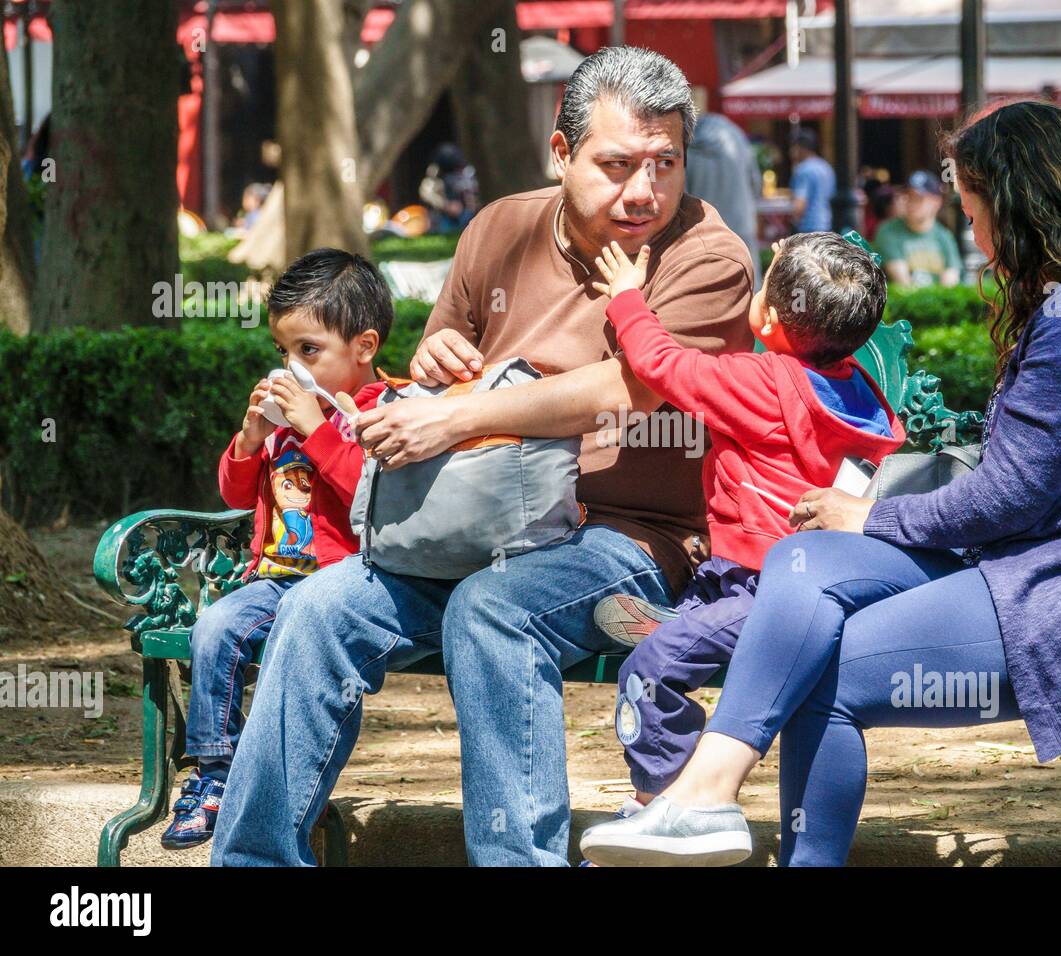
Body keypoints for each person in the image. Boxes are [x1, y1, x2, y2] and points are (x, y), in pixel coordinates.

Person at [579, 99, 1061, 866]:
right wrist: (867, 518)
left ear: (1020, 206)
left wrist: (874, 516)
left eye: (975, 210)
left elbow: (1010, 497)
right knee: (798, 557)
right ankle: (708, 800)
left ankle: (716, 804)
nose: (974, 234)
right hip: (1047, 557)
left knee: (822, 669)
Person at [209, 45, 754, 867]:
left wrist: (465, 417)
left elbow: (634, 387)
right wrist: (439, 371)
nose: (644, 190)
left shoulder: (707, 258)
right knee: (318, 609)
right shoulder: (500, 228)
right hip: (471, 525)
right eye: (616, 164)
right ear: (561, 153)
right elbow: (438, 357)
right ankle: (250, 860)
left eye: (665, 163)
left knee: (494, 610)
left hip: (628, 540)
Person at [584, 233, 903, 827]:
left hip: (766, 590)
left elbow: (664, 366)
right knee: (699, 610)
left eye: (764, 282)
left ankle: (662, 803)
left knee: (647, 673)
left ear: (771, 319)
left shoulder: (763, 384)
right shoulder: (857, 389)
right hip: (779, 576)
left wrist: (627, 299)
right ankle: (689, 619)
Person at [161, 249, 391, 849]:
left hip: (343, 583)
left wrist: (319, 429)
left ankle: (288, 795)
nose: (291, 366)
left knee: (302, 646)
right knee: (216, 625)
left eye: (308, 350)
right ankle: (215, 773)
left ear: (363, 347)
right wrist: (249, 439)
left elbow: (374, 493)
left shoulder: (381, 410)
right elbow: (237, 491)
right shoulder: (284, 420)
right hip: (276, 575)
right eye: (282, 352)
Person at [686, 111, 763, 285]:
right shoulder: (737, 138)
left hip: (703, 232)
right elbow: (756, 184)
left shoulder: (689, 146)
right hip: (741, 226)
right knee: (748, 286)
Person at [873, 170, 962, 288]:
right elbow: (903, 283)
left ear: (936, 202)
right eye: (908, 196)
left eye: (918, 198)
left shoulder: (944, 236)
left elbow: (951, 281)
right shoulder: (888, 231)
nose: (910, 202)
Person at [789, 127, 835, 234]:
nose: (791, 152)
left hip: (809, 228)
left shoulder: (803, 169)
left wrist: (793, 223)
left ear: (801, 148)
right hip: (827, 225)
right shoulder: (826, 167)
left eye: (794, 147)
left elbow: (800, 203)